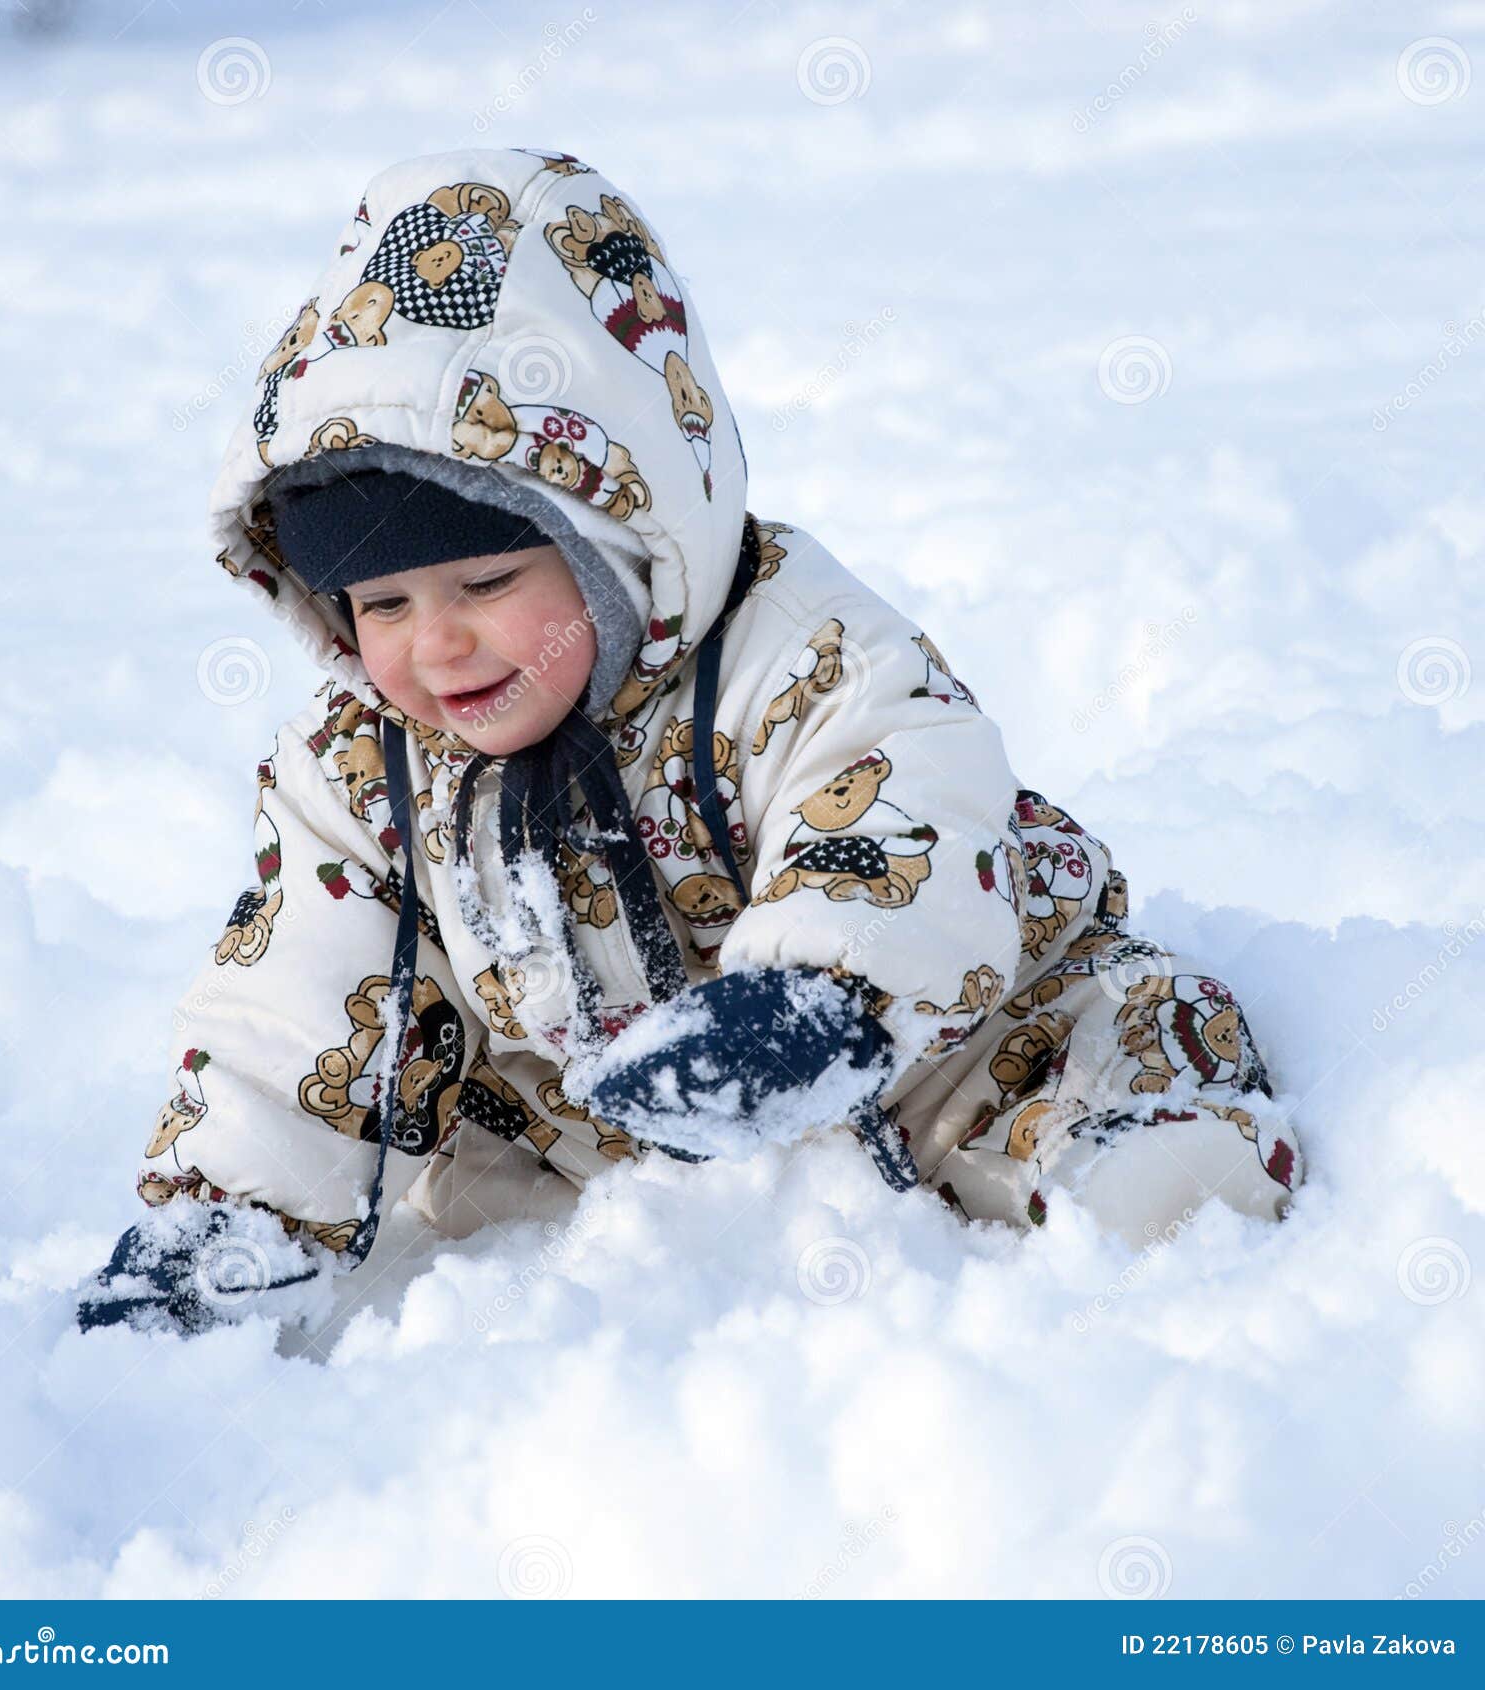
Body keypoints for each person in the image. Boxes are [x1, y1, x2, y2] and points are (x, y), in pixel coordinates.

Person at [77, 147, 1303, 1335]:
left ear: (618, 539)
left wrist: (816, 1001)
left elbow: (891, 797)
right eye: (382, 606)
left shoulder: (789, 649)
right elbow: (300, 991)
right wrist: (231, 1206)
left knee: (1113, 1040)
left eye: (487, 580)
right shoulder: (364, 768)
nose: (435, 645)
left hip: (921, 1041)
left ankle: (1161, 1194)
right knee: (465, 1170)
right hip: (602, 1125)